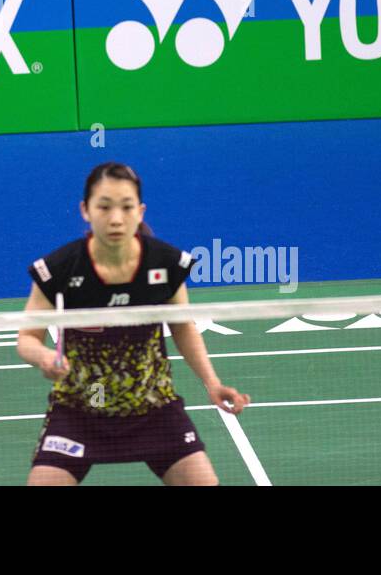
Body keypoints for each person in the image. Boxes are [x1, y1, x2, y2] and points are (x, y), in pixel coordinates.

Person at [17, 162, 249, 484]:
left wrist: (212, 382)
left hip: (152, 407)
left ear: (140, 212)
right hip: (82, 406)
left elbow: (183, 327)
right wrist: (43, 356)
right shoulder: (59, 269)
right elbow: (27, 337)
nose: (116, 218)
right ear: (86, 210)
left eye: (126, 207)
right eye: (104, 207)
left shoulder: (165, 263)